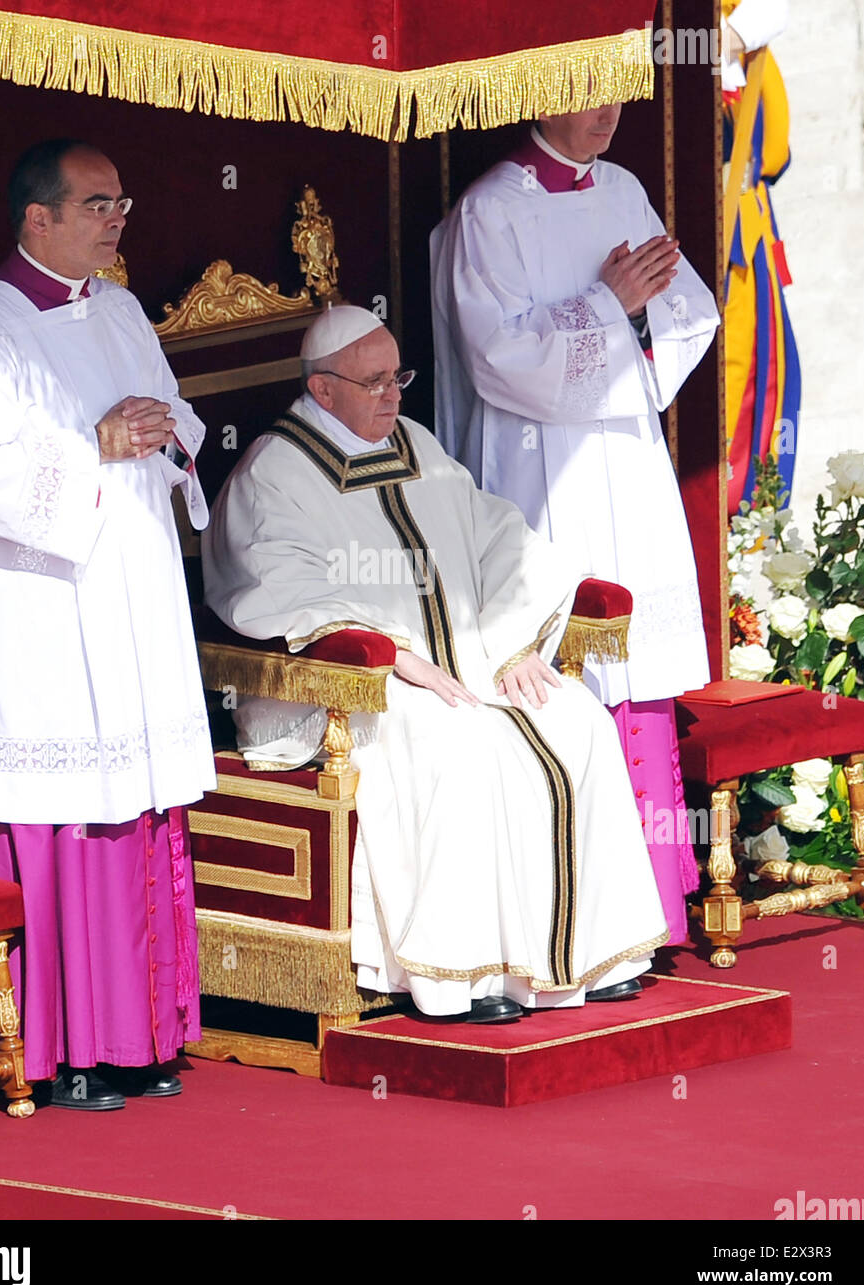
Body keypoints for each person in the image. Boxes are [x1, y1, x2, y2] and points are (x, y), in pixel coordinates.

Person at [202, 305, 668, 1023]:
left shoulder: (414, 442)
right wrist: (390, 655)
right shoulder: (275, 471)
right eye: (374, 382)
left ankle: (596, 958)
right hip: (346, 686)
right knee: (455, 743)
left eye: (399, 377)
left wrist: (512, 638)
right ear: (322, 390)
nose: (394, 395)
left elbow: (497, 536)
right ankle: (466, 977)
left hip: (470, 658)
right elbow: (268, 585)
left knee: (576, 721)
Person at [0, 139, 217, 1110]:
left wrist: (164, 436)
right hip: (41, 614)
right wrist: (94, 443)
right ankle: (60, 1048)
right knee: (70, 814)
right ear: (34, 219)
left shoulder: (122, 310)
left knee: (134, 798)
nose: (116, 219)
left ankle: (141, 1037)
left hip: (132, 598)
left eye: (121, 203)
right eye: (95, 205)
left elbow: (171, 423)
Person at [430, 106, 720, 945]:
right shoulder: (490, 211)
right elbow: (497, 358)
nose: (607, 115)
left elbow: (684, 314)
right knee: (569, 661)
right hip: (541, 461)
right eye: (587, 96)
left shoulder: (623, 188)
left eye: (616, 96)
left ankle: (655, 909)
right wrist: (607, 303)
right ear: (544, 95)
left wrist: (632, 316)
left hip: (626, 454)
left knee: (635, 660)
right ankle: (579, 920)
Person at [721, 0, 800, 514]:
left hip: (750, 225)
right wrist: (727, 42)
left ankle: (749, 553)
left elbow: (771, 152)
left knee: (767, 382)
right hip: (703, 224)